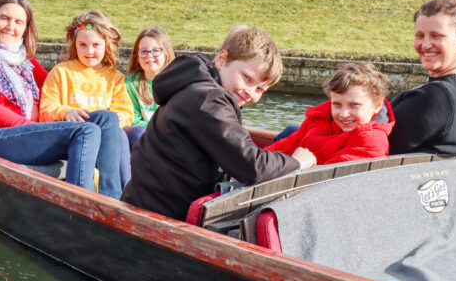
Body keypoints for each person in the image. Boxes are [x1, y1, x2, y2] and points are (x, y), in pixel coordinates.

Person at [122, 25, 317, 220]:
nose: (250, 92)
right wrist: (297, 162)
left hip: (150, 204)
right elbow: (251, 165)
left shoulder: (197, 87)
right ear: (221, 60)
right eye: (246, 78)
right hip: (158, 216)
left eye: (260, 89)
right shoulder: (209, 100)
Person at [0, 0, 111, 195]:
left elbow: (52, 91)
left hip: (22, 134)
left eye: (19, 22)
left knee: (105, 119)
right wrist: (34, 127)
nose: (10, 26)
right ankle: (83, 204)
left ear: (25, 28)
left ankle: (113, 198)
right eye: (4, 18)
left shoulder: (26, 60)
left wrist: (67, 110)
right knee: (86, 131)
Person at [39, 11, 132, 198]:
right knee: (106, 117)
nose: (89, 51)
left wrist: (121, 117)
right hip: (70, 135)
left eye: (96, 45)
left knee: (112, 121)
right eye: (83, 45)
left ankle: (123, 195)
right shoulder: (61, 72)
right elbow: (46, 111)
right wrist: (65, 112)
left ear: (106, 45)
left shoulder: (115, 78)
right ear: (75, 44)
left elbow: (126, 113)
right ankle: (111, 196)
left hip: (104, 141)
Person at [388, 0, 456, 155]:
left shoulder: (436, 98)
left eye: (437, 36)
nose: (425, 45)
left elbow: (369, 145)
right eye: (419, 36)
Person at [266, 62, 395, 164]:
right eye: (337, 104)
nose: (344, 114)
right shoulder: (320, 117)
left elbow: (328, 178)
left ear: (377, 105)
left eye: (354, 105)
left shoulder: (371, 142)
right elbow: (289, 144)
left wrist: (296, 164)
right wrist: (260, 162)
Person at [123, 27, 175, 148]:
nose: (149, 56)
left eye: (156, 50)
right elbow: (133, 120)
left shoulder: (178, 82)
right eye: (143, 51)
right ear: (137, 56)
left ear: (166, 53)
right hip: (144, 139)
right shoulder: (130, 83)